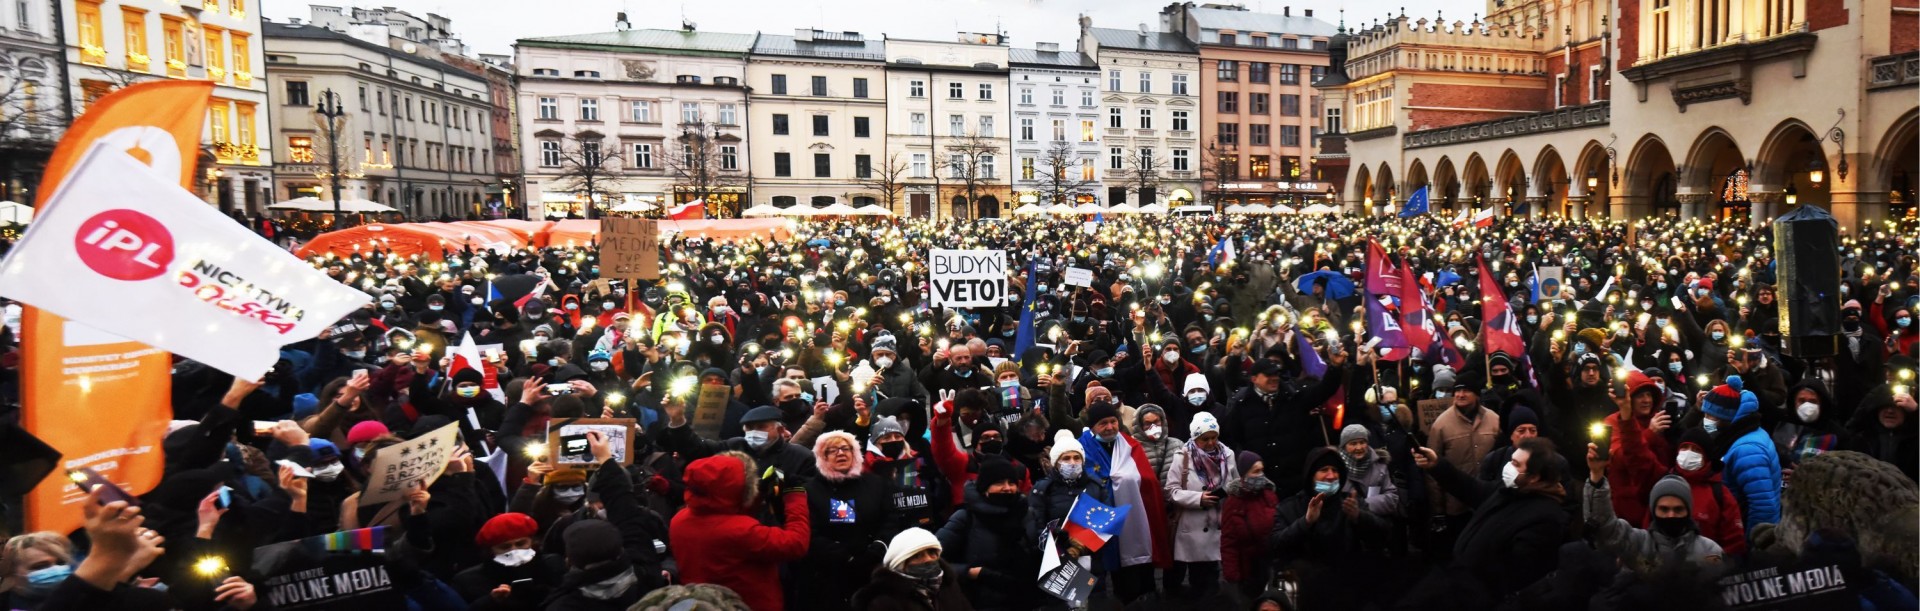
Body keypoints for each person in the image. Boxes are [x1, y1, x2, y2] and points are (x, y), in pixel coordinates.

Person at [1409, 437, 1570, 605]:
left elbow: (1520, 576)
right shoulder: (1510, 490)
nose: (1509, 467)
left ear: (1534, 477)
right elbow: (1471, 488)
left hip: (1481, 599)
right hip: (1461, 586)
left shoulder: (1545, 518)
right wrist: (1437, 465)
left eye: (1516, 464)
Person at [669, 451, 811, 611]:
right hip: (748, 605)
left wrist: (757, 495)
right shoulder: (741, 531)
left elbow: (723, 511)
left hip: (704, 603)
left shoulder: (680, 520)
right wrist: (795, 496)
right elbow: (796, 544)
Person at [1583, 448, 1724, 573]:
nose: (1671, 515)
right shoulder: (1637, 543)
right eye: (1664, 509)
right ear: (1653, 510)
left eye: (1678, 509)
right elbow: (1606, 529)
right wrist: (1597, 476)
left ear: (1689, 511)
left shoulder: (1710, 551)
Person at [801, 430, 893, 609]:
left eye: (845, 448)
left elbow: (890, 519)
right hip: (831, 578)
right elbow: (811, 533)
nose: (841, 453)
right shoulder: (810, 491)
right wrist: (846, 557)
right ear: (822, 456)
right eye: (832, 450)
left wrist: (879, 546)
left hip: (876, 570)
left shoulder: (876, 483)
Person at [935, 458, 1040, 611]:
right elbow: (932, 560)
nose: (1007, 488)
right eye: (999, 483)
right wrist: (971, 573)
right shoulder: (965, 518)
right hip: (980, 603)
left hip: (1026, 601)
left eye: (1011, 483)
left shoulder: (1027, 514)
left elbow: (1035, 554)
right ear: (984, 488)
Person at [1163, 411, 1236, 599]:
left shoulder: (1227, 455)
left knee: (1211, 581)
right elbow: (1171, 491)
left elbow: (1235, 483)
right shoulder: (1182, 457)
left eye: (1214, 437)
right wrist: (1197, 499)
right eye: (1205, 439)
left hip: (1217, 524)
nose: (1211, 443)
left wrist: (1227, 491)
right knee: (1196, 580)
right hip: (1191, 526)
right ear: (1195, 438)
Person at [1697, 375, 1782, 533]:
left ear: (1726, 417)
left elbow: (1763, 506)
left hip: (1745, 533)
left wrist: (1755, 543)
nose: (1706, 420)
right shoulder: (1740, 434)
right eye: (1705, 415)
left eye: (1711, 416)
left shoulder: (1748, 450)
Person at [851, 528, 972, 611]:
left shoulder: (948, 586)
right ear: (900, 564)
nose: (928, 559)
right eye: (917, 556)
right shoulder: (883, 603)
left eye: (932, 552)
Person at [1221, 451, 1278, 600]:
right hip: (1249, 571)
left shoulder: (1269, 495)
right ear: (1244, 474)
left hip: (1272, 566)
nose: (1260, 475)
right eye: (1256, 471)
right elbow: (1228, 542)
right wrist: (1232, 575)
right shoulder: (1233, 503)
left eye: (1262, 470)